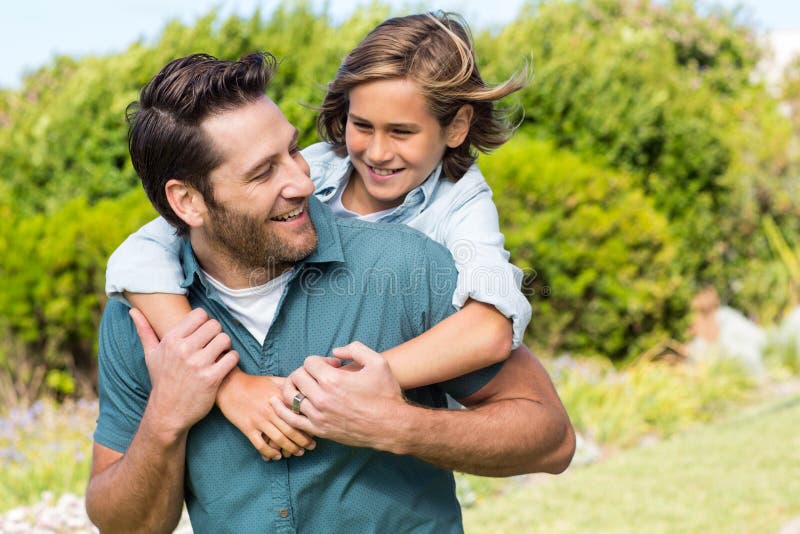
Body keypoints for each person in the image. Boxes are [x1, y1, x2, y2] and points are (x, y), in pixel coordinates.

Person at [85, 52, 574, 533]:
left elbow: (551, 440)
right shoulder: (142, 321)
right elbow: (123, 526)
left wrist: (399, 425)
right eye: (263, 172)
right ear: (187, 201)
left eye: (294, 150)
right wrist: (165, 419)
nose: (302, 182)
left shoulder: (406, 265)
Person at [105, 11, 533, 460]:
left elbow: (491, 328)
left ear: (457, 126)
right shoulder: (318, 166)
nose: (377, 152)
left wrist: (347, 382)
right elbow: (138, 255)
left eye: (402, 132)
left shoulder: (461, 203)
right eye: (361, 125)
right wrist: (229, 386)